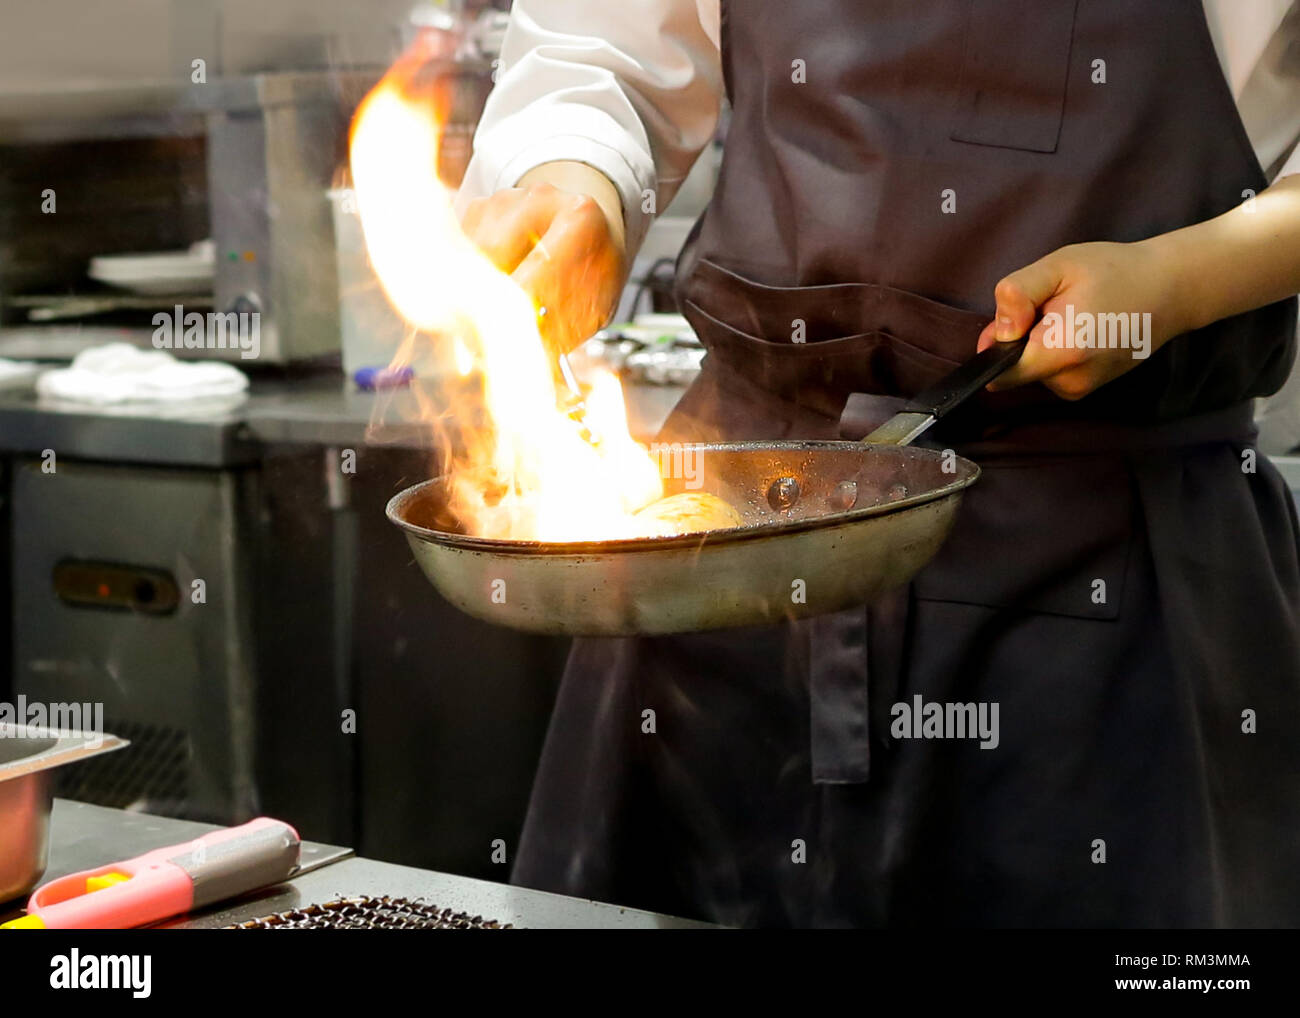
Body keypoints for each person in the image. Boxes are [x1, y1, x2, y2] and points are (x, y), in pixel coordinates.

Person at [456, 0, 1300, 926]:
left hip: (1110, 580)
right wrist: (581, 179)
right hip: (728, 552)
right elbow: (604, 52)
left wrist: (1182, 278)